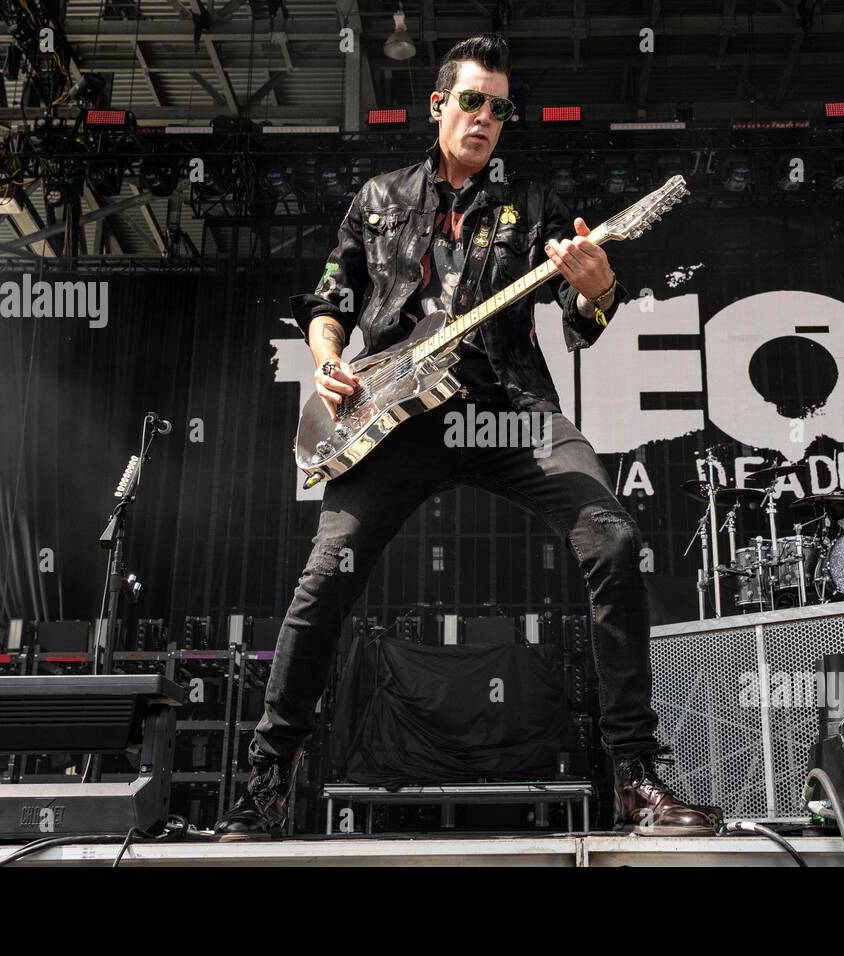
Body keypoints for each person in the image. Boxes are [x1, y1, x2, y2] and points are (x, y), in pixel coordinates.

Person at [214, 34, 710, 838]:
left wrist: (600, 286)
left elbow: (584, 327)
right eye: (472, 101)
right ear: (439, 105)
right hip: (392, 421)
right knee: (323, 583)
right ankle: (269, 781)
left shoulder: (534, 202)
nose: (486, 118)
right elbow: (329, 300)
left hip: (505, 404)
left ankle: (638, 778)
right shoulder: (379, 197)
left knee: (612, 540)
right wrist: (332, 363)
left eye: (500, 107)